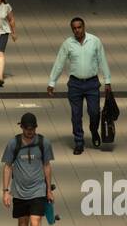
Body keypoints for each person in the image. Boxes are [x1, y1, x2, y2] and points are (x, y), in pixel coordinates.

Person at [1, 112, 54, 226]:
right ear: (22, 127)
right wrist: (6, 191)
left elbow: (47, 165)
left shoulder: (43, 143)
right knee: (23, 224)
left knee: (35, 224)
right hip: (19, 192)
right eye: (27, 129)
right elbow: (7, 167)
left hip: (38, 190)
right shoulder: (13, 144)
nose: (30, 132)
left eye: (32, 129)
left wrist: (48, 189)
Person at [47, 16, 112, 155]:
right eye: (74, 28)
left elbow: (102, 60)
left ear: (84, 27)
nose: (77, 30)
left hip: (92, 83)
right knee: (76, 115)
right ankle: (79, 142)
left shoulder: (94, 41)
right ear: (72, 29)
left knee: (94, 112)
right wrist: (52, 82)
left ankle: (94, 131)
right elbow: (59, 63)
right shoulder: (67, 44)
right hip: (75, 84)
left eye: (79, 27)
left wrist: (107, 80)